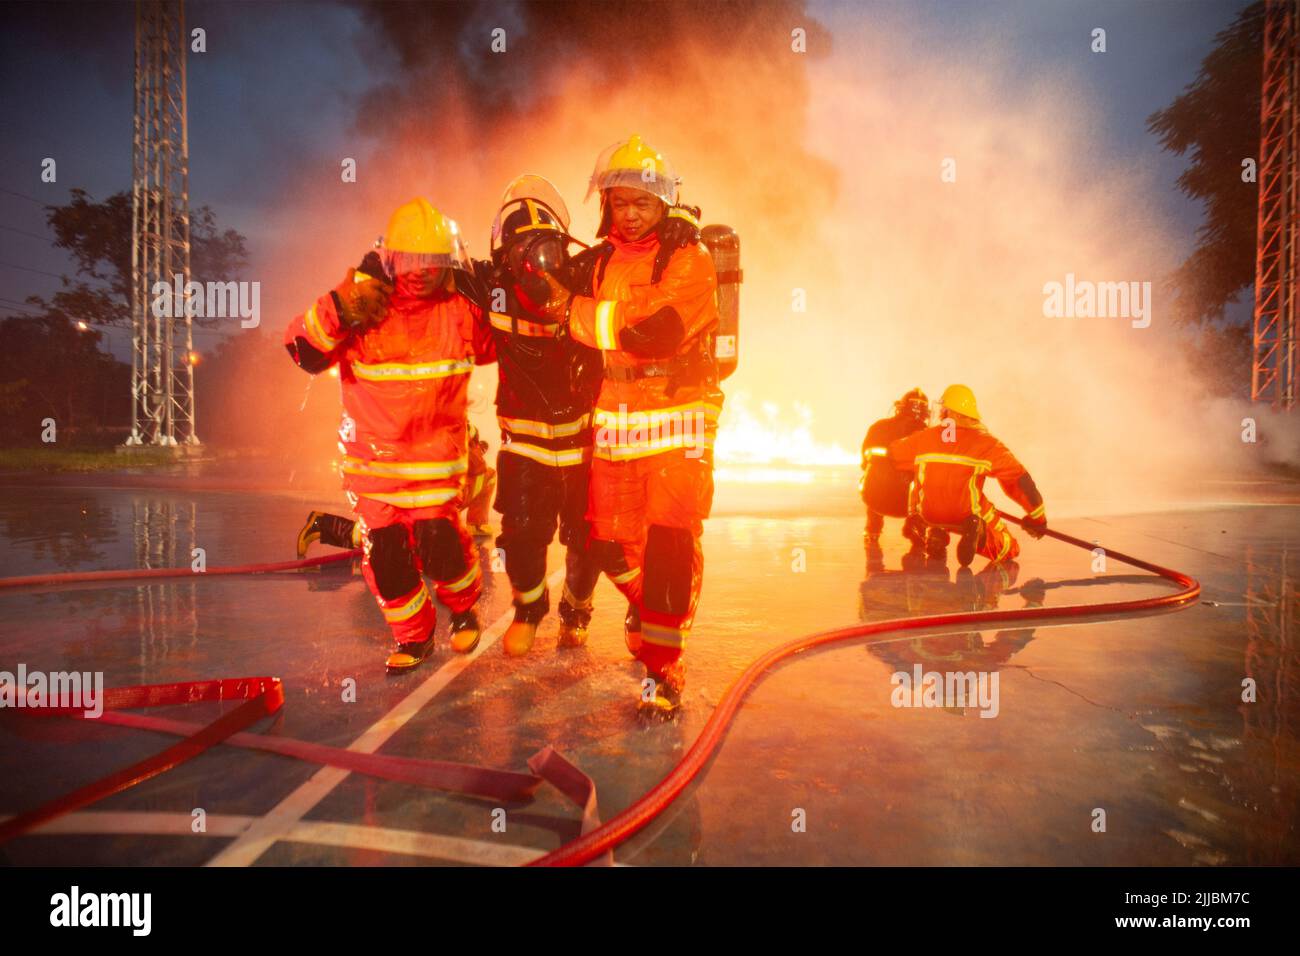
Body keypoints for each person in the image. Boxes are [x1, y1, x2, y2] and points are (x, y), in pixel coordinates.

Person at [534, 134, 721, 716]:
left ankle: (664, 672)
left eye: (642, 201)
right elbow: (532, 282)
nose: (632, 213)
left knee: (667, 544)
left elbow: (655, 333)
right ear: (606, 207)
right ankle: (655, 608)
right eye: (621, 203)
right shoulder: (599, 262)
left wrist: (572, 313)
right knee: (606, 542)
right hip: (617, 419)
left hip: (679, 420)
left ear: (664, 203)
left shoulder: (691, 259)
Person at [284, 198, 494, 672]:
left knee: (443, 546)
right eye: (410, 261)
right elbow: (301, 349)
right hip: (374, 472)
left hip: (436, 467)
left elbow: (502, 345)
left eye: (433, 262)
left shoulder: (461, 309)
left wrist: (491, 290)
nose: (421, 272)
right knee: (388, 561)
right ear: (389, 259)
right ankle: (414, 637)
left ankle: (462, 610)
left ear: (450, 262)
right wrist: (339, 307)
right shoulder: (363, 304)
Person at [887, 384, 1046, 567]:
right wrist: (1037, 518)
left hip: (929, 512)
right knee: (1009, 547)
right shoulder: (986, 443)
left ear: (946, 411)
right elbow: (1018, 479)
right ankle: (978, 533)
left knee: (935, 494)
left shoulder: (923, 438)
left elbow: (894, 453)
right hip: (964, 513)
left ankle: (936, 533)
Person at [297, 421, 494, 553]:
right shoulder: (456, 429)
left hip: (400, 488)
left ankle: (324, 526)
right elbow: (480, 469)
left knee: (394, 534)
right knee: (394, 538)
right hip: (419, 498)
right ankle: (323, 526)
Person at [859, 387, 930, 564]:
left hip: (873, 498)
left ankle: (873, 530)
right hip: (906, 506)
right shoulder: (929, 436)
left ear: (900, 407)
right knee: (930, 484)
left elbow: (864, 463)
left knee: (872, 477)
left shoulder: (877, 427)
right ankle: (918, 532)